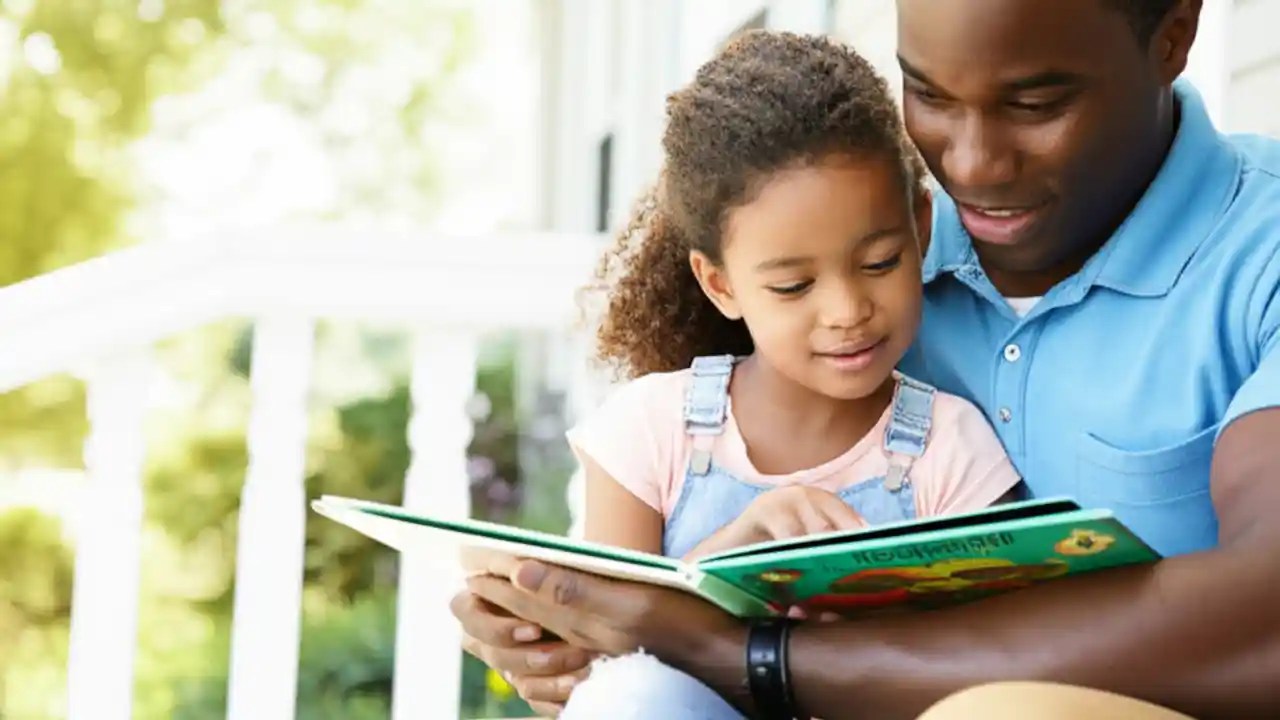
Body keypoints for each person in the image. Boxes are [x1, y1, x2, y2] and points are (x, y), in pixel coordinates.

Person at [455, 0, 1280, 717]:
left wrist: (740, 656)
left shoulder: (1259, 254)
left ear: (1175, 35)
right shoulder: (865, 244)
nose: (972, 165)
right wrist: (560, 627)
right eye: (927, 93)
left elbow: (1267, 618)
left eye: (1035, 102)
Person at [567, 31, 1021, 577]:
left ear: (921, 230)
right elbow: (610, 638)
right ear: (720, 285)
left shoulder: (951, 450)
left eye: (879, 263)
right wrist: (734, 547)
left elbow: (979, 643)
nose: (848, 311)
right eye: (793, 287)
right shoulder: (649, 431)